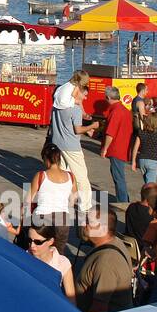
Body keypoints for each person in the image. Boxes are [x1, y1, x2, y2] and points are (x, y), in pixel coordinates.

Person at [51, 73, 98, 211]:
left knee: (63, 173)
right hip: (71, 146)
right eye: (84, 95)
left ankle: (61, 201)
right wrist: (92, 127)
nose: (85, 98)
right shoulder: (75, 110)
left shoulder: (58, 106)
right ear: (77, 93)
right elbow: (77, 130)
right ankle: (86, 206)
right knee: (81, 176)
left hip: (57, 142)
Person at [75, 207, 134, 312]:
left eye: (89, 222)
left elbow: (99, 309)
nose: (84, 224)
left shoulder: (107, 261)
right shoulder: (115, 242)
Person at [99, 86, 135, 202]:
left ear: (108, 97)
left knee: (118, 176)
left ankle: (122, 201)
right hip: (124, 146)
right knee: (119, 175)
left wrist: (105, 148)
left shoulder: (115, 111)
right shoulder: (125, 110)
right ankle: (124, 199)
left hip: (116, 148)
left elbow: (111, 133)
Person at [28, 143, 79, 225]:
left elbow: (29, 199)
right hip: (63, 219)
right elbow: (74, 198)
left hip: (42, 218)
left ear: (46, 160)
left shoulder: (40, 176)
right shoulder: (71, 176)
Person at [130, 111, 157, 185]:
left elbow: (135, 149)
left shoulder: (141, 133)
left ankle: (146, 195)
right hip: (152, 161)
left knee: (147, 182)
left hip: (142, 160)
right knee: (150, 185)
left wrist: (133, 161)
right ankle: (147, 196)